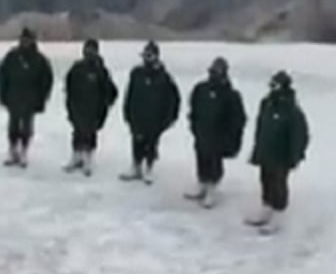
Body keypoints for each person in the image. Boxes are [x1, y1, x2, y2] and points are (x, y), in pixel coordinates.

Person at [245, 71, 310, 233]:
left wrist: (294, 156)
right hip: (266, 151)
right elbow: (261, 128)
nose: (271, 88)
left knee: (278, 184)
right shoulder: (266, 104)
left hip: (282, 156)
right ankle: (266, 207)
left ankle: (279, 213)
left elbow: (299, 135)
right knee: (265, 179)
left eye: (275, 85)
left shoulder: (292, 111)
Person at [184, 57, 246, 208]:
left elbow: (238, 118)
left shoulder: (231, 95)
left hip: (219, 136)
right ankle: (202, 183)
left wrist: (231, 137)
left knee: (214, 161)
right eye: (213, 71)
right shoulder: (201, 89)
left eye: (218, 71)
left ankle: (212, 187)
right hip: (202, 132)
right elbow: (193, 106)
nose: (215, 74)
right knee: (201, 156)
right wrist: (194, 124)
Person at [120, 41, 180, 183]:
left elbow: (173, 99)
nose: (147, 58)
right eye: (145, 55)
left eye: (150, 55)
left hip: (155, 118)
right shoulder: (136, 74)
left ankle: (149, 168)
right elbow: (130, 94)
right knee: (136, 141)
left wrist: (169, 118)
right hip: (138, 116)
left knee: (151, 144)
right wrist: (127, 112)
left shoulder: (164, 77)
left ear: (156, 57)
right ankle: (136, 166)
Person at [0, 27, 53, 167]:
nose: (25, 42)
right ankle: (12, 150)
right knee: (13, 126)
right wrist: (2, 94)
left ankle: (24, 151)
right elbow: (2, 76)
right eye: (23, 40)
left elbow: (46, 80)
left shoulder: (39, 59)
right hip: (13, 97)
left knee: (27, 127)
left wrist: (42, 98)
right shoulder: (12, 56)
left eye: (28, 40)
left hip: (31, 99)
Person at [62, 38, 118, 176]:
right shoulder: (77, 68)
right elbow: (68, 86)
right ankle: (76, 157)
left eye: (92, 49)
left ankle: (88, 159)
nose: (89, 52)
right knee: (77, 133)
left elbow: (111, 91)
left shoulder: (101, 70)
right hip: (77, 107)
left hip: (94, 109)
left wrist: (105, 105)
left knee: (90, 134)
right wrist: (70, 103)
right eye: (87, 49)